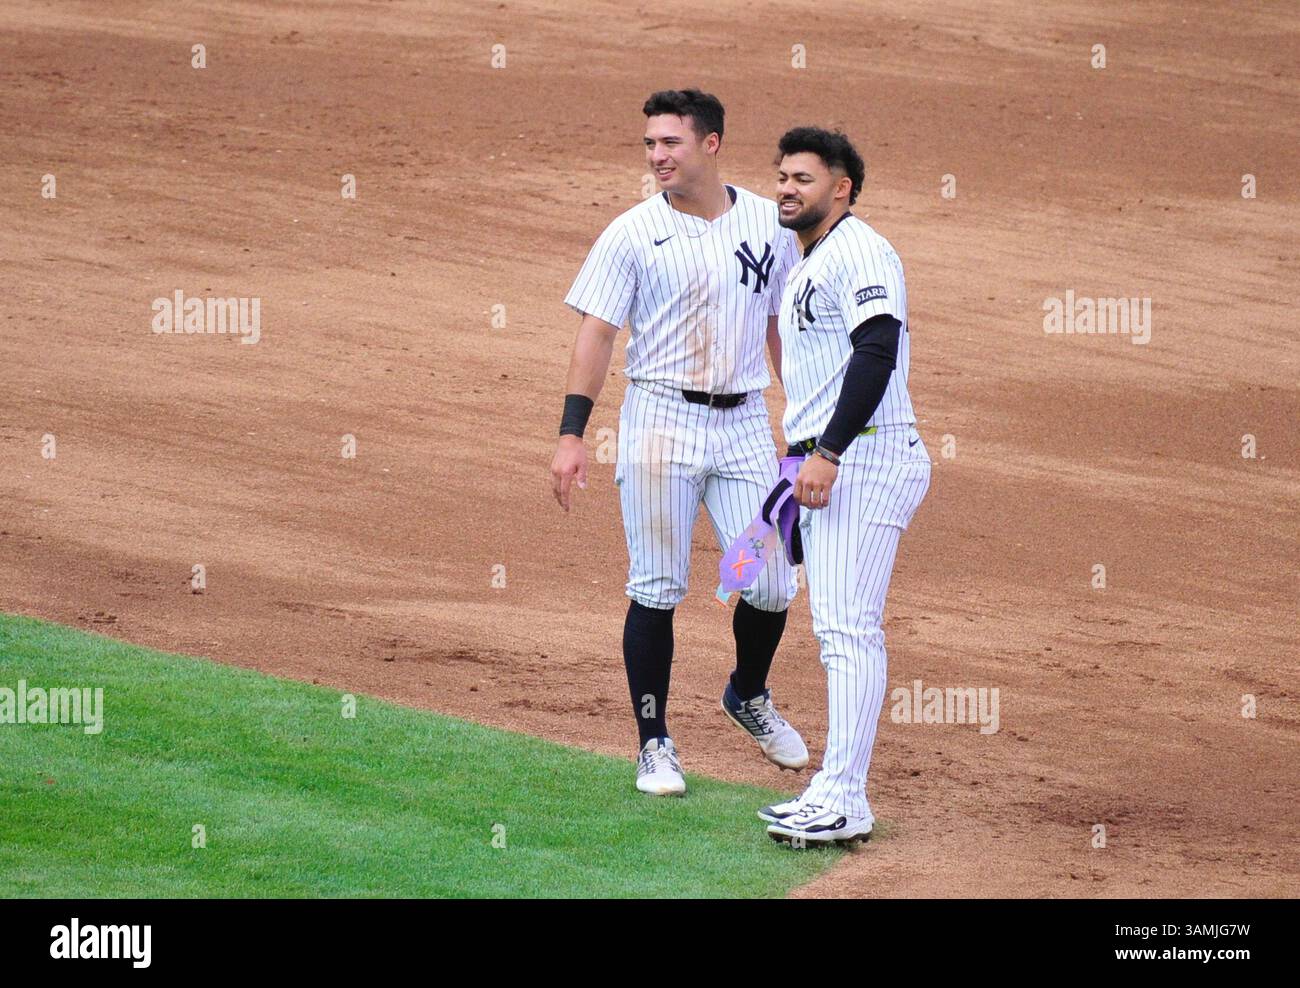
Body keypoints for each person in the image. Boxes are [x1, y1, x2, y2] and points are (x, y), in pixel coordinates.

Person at [549, 90, 808, 796]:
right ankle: (654, 742)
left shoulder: (770, 223)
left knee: (773, 577)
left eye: (671, 143)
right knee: (658, 587)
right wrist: (573, 433)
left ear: (712, 144)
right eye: (650, 145)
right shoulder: (631, 234)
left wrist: (808, 425)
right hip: (660, 424)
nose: (658, 156)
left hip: (745, 425)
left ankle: (746, 693)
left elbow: (782, 326)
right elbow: (597, 335)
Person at [757, 127, 931, 842]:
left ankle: (846, 798)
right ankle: (834, 789)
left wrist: (825, 451)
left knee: (850, 631)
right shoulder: (807, 260)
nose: (787, 188)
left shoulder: (860, 249)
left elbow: (878, 350)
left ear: (842, 188)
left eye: (804, 178)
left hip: (865, 456)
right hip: (830, 460)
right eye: (783, 177)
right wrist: (804, 458)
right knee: (836, 630)